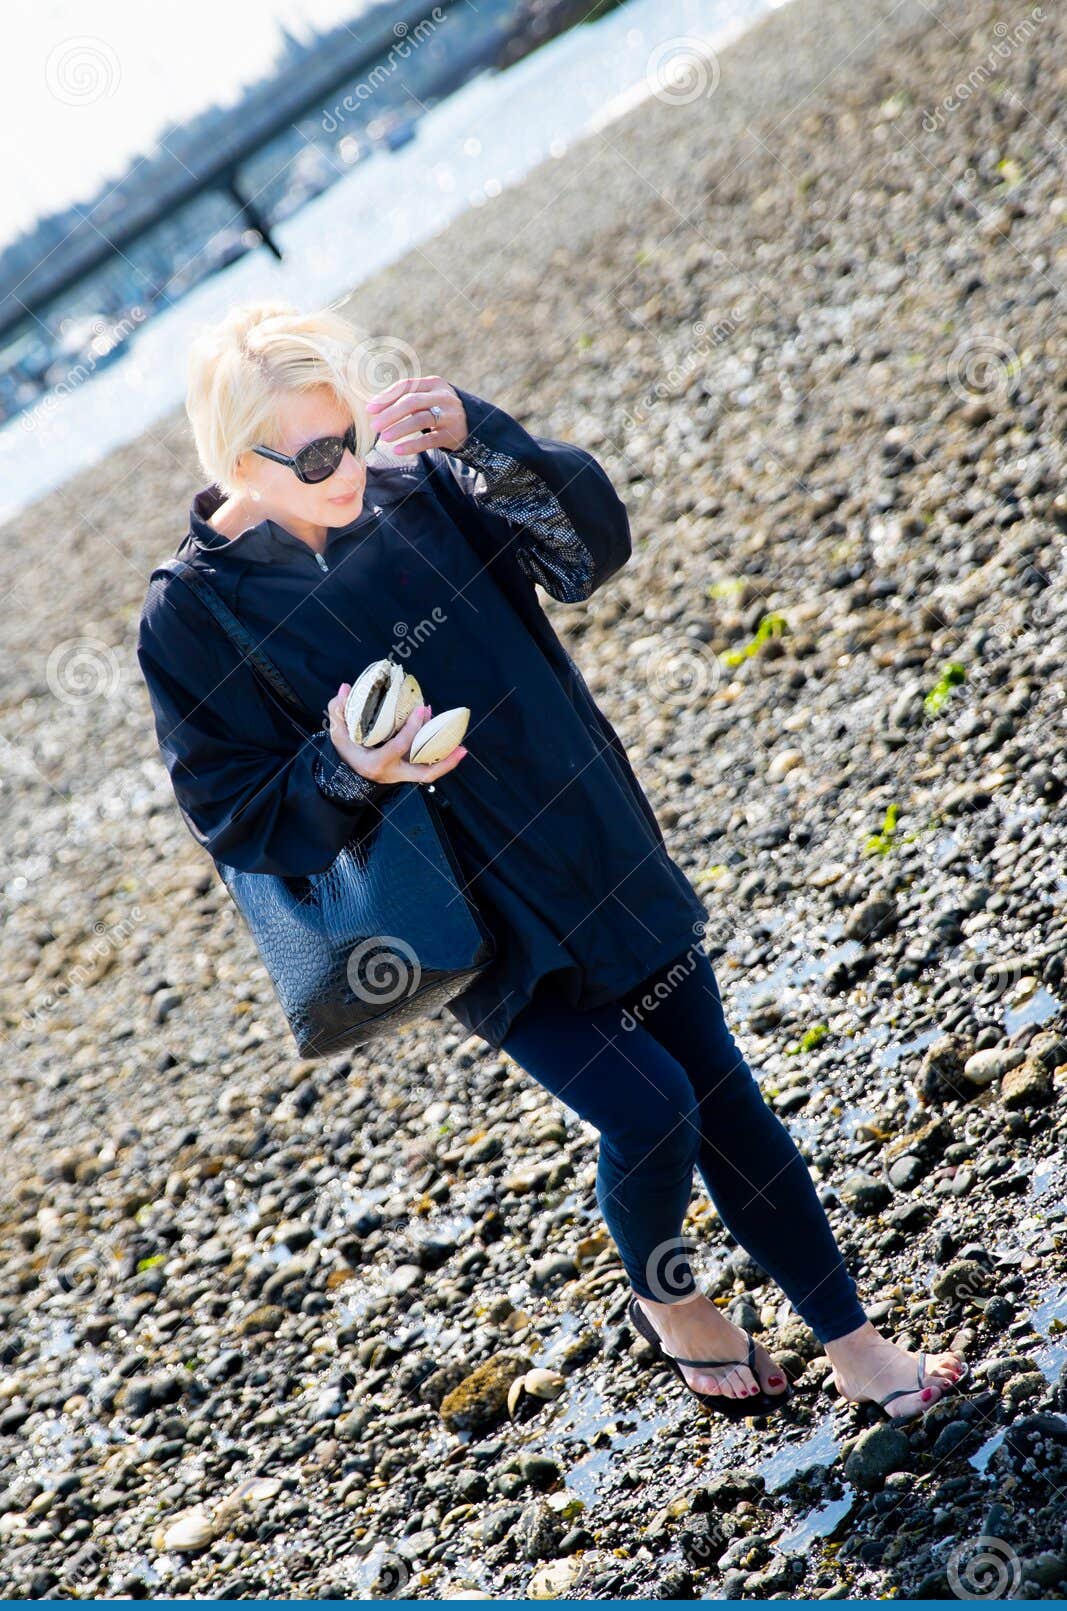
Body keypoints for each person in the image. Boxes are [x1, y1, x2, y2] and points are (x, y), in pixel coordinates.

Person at [137, 300, 967, 1421]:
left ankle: (855, 1345)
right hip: (472, 925)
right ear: (239, 459)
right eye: (317, 454)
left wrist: (483, 434)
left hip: (596, 843)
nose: (348, 469)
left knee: (722, 1094)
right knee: (647, 1111)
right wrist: (345, 766)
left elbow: (585, 553)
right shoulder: (194, 614)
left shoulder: (420, 493)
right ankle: (666, 1299)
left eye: (353, 435)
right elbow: (233, 817)